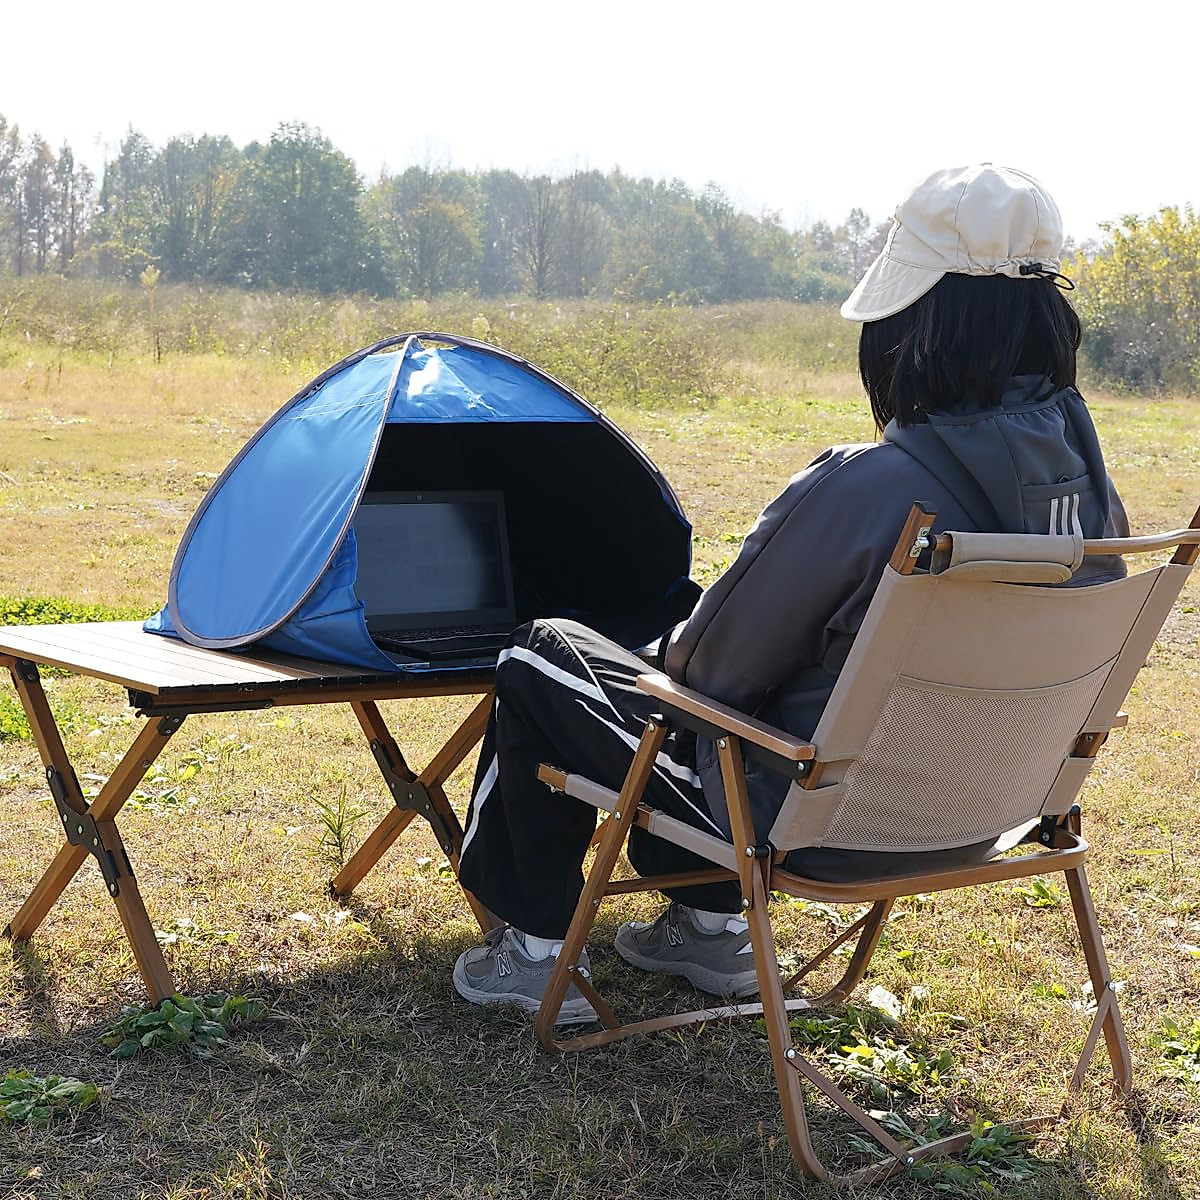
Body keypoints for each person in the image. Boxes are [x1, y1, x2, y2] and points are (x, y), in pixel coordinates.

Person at [452, 164, 1130, 1024]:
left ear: (914, 328)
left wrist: (663, 653)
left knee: (543, 653)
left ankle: (535, 950)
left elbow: (709, 679)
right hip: (991, 816)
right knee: (739, 698)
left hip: (816, 824)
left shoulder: (875, 489)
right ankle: (706, 927)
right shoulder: (1098, 503)